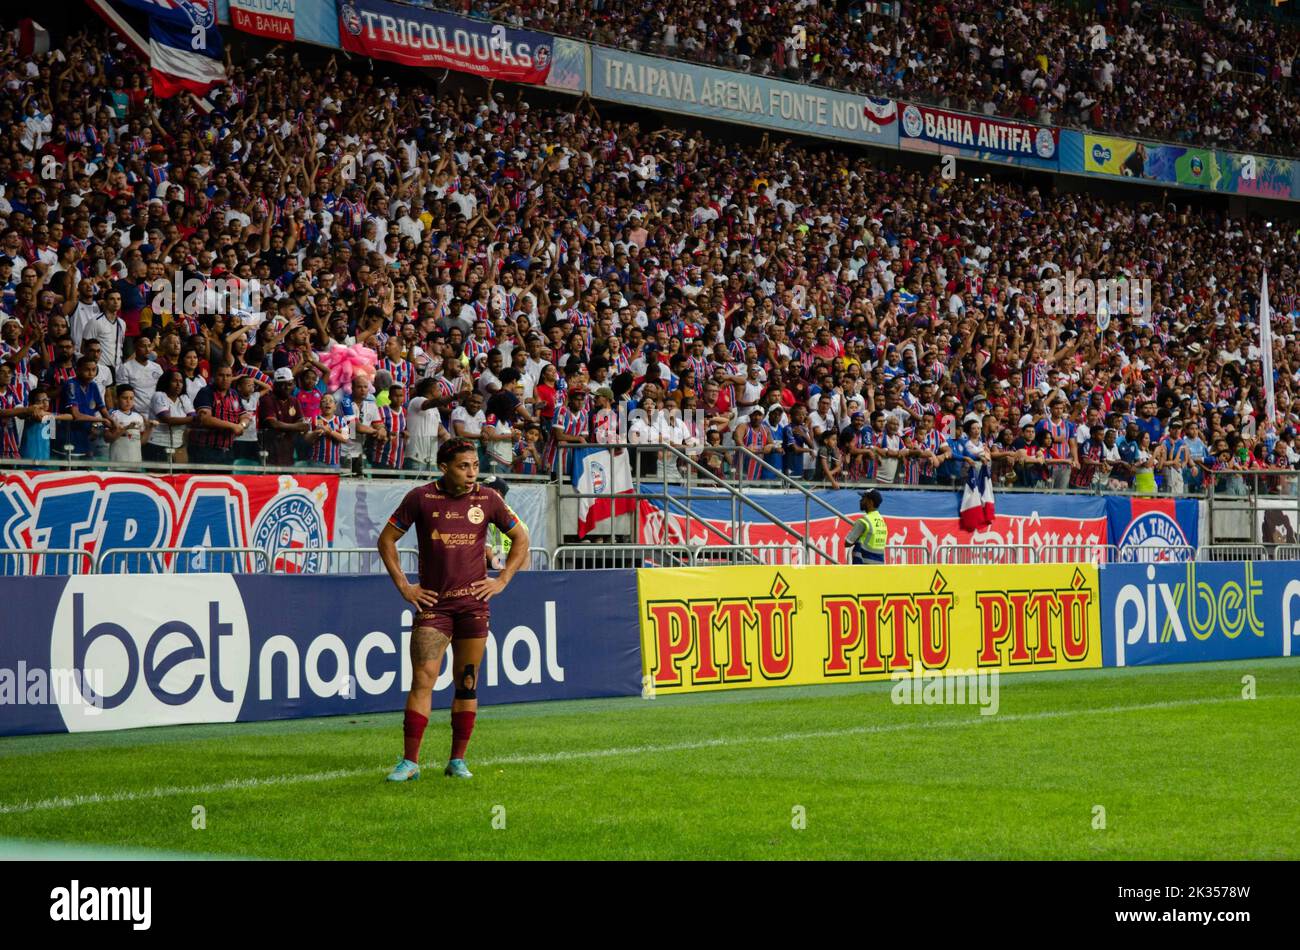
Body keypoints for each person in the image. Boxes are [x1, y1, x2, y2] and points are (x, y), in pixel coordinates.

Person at [377, 438, 531, 782]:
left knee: (467, 683)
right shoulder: (420, 498)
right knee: (423, 679)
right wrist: (405, 586)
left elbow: (521, 539)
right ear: (443, 468)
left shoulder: (489, 499)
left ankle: (457, 760)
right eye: (464, 466)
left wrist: (502, 580)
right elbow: (386, 540)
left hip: (473, 606)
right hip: (435, 607)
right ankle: (410, 761)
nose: (472, 473)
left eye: (475, 466)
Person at [845, 488, 887, 564]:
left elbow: (847, 542)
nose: (860, 501)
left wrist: (857, 538)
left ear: (870, 502)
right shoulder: (882, 520)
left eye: (863, 498)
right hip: (879, 565)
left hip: (863, 566)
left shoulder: (864, 521)